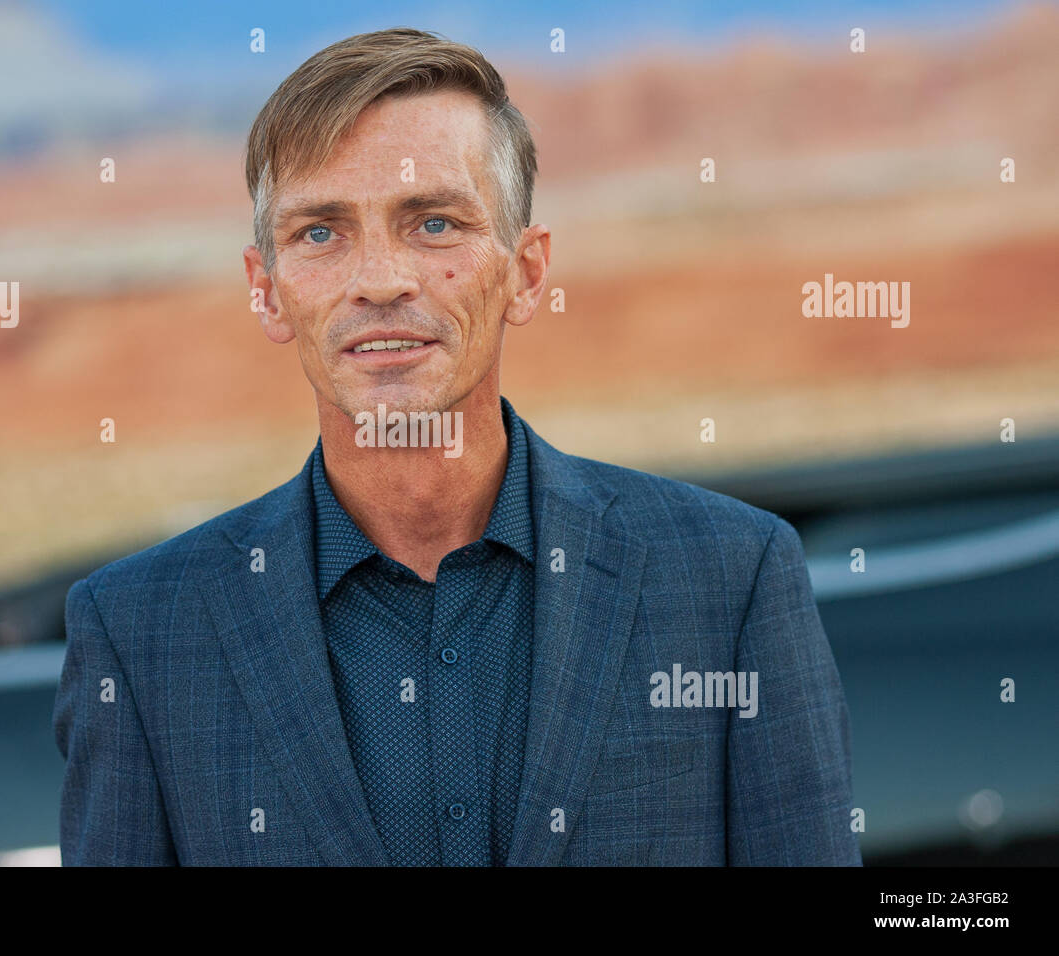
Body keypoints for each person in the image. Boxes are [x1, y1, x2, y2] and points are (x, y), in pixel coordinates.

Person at [52, 27, 861, 866]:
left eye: (434, 222)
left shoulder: (728, 581)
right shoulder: (143, 634)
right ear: (267, 293)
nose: (381, 278)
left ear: (527, 272)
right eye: (321, 233)